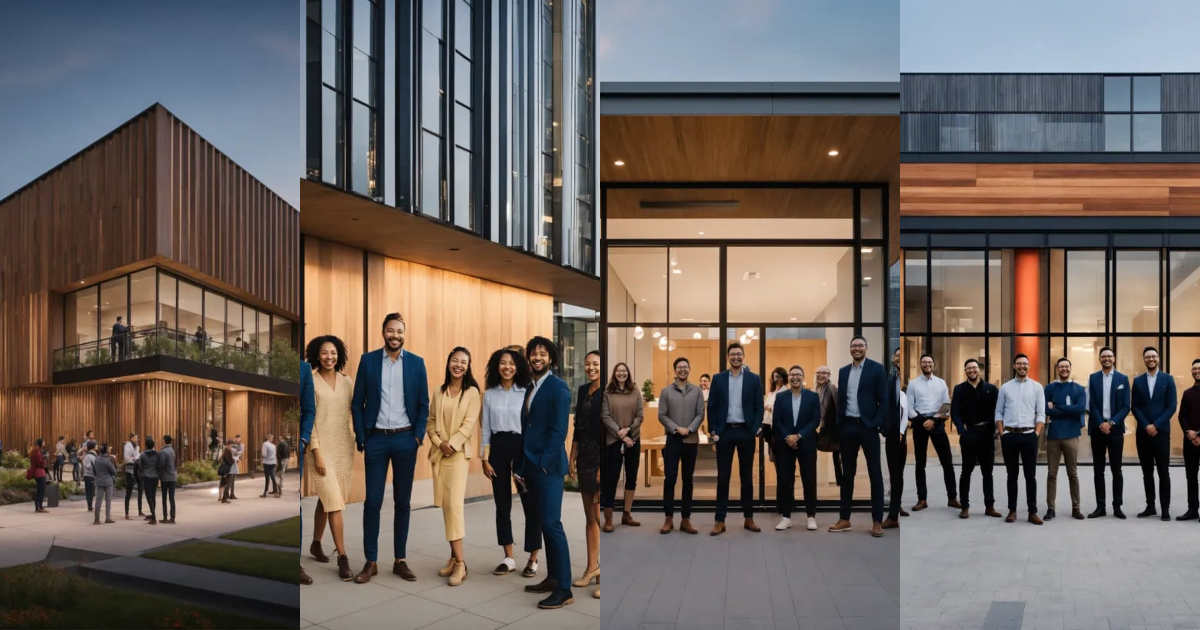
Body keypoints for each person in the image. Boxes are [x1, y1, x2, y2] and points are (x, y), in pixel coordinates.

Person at [350, 313, 430, 584]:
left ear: (404, 334)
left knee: (402, 503)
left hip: (406, 440)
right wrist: (363, 437)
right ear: (383, 332)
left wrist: (417, 437)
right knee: (372, 502)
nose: (395, 335)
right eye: (390, 331)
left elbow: (423, 405)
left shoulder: (417, 364)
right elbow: (357, 402)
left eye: (399, 331)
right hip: (376, 441)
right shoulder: (368, 361)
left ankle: (400, 560)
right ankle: (370, 561)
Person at [518, 336, 574, 609]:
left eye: (542, 354)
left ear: (551, 358)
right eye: (533, 354)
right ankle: (552, 578)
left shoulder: (558, 387)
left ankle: (564, 588)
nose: (537, 357)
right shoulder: (532, 386)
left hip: (547, 468)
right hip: (531, 466)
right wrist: (523, 467)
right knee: (543, 522)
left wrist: (542, 462)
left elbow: (558, 431)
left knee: (552, 525)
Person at [481, 347, 542, 578]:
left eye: (512, 363)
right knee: (502, 505)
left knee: (530, 504)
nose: (507, 367)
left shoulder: (527, 391)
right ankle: (508, 557)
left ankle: (533, 559)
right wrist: (484, 458)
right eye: (503, 363)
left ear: (518, 367)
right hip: (497, 450)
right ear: (497, 366)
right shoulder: (489, 395)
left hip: (521, 450)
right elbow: (485, 428)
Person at [427, 347, 482, 586]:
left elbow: (469, 425)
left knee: (454, 506)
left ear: (468, 366)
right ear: (448, 363)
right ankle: (452, 557)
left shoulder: (472, 393)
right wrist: (440, 443)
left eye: (463, 362)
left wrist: (453, 444)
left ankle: (461, 564)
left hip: (458, 456)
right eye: (455, 360)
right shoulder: (438, 392)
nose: (458, 365)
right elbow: (430, 423)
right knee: (446, 507)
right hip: (440, 454)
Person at [306, 335, 358, 581]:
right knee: (334, 502)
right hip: (321, 450)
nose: (329, 357)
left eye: (334, 353)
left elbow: (355, 411)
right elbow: (310, 419)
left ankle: (316, 544)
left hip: (343, 448)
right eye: (325, 353)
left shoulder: (348, 382)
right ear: (317, 354)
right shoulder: (310, 381)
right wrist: (315, 452)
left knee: (327, 500)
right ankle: (343, 558)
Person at [830, 336, 887, 537]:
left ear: (866, 348)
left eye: (860, 346)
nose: (857, 349)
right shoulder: (843, 371)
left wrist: (876, 423)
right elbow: (842, 400)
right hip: (848, 428)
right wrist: (840, 424)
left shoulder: (877, 369)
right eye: (853, 346)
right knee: (847, 476)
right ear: (850, 349)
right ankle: (844, 519)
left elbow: (884, 400)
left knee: (875, 475)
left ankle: (877, 521)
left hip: (868, 428)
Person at [708, 342, 765, 535]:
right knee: (723, 477)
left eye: (739, 354)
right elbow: (712, 406)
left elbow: (759, 406)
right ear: (727, 356)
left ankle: (748, 518)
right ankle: (720, 520)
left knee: (746, 477)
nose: (736, 357)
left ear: (744, 356)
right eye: (733, 354)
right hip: (724, 432)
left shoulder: (754, 378)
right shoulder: (718, 379)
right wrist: (714, 430)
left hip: (745, 432)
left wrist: (756, 427)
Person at [658, 356, 705, 535]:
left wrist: (690, 429)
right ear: (675, 370)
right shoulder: (666, 392)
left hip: (691, 440)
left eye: (685, 367)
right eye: (679, 367)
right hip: (673, 440)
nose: (683, 369)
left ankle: (686, 519)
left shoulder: (697, 391)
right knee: (670, 479)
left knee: (688, 480)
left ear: (689, 369)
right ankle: (668, 518)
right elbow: (662, 415)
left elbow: (701, 413)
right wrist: (676, 428)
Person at [996, 353, 1045, 525]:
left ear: (1029, 366)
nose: (1022, 366)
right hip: (1010, 436)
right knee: (1012, 476)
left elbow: (1041, 413)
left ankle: (1032, 512)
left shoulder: (1037, 387)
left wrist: (1036, 433)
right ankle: (1012, 510)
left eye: (1025, 364)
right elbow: (999, 411)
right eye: (1019, 363)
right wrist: (1002, 433)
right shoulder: (1005, 388)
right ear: (1014, 366)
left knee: (1030, 476)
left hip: (1029, 436)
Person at [569, 350, 603, 597]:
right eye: (587, 364)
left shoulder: (608, 392)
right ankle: (592, 568)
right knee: (590, 517)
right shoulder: (582, 391)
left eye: (595, 364)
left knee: (601, 517)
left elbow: (608, 432)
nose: (590, 368)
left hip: (601, 460)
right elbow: (578, 428)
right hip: (584, 459)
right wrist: (572, 457)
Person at [772, 365, 821, 531]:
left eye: (798, 375)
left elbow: (815, 420)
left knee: (809, 480)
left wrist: (799, 435)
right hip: (785, 444)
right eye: (792, 374)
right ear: (789, 377)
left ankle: (811, 516)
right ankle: (786, 517)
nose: (795, 377)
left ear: (803, 377)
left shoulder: (813, 397)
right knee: (785, 480)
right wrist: (788, 437)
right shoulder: (781, 397)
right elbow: (776, 421)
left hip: (806, 442)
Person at [951, 358, 1001, 520]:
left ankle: (989, 506)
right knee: (966, 471)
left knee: (988, 472)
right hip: (969, 433)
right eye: (968, 368)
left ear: (979, 369)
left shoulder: (991, 389)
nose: (971, 371)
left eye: (974, 368)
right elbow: (955, 412)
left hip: (986, 434)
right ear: (965, 371)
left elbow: (997, 411)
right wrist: (961, 430)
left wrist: (995, 430)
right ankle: (964, 506)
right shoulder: (959, 389)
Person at [908, 354, 958, 511]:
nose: (927, 364)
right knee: (920, 464)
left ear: (934, 365)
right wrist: (922, 421)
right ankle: (922, 499)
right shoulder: (913, 384)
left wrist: (934, 421)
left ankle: (952, 497)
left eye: (929, 362)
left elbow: (945, 405)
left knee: (947, 462)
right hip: (919, 424)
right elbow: (909, 406)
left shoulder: (941, 383)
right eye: (924, 362)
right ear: (920, 364)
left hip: (937, 424)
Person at [1131, 346, 1175, 521]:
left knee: (1163, 472)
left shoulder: (1168, 379)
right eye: (1148, 356)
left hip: (1161, 433)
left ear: (1158, 358)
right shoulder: (1138, 381)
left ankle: (1165, 508)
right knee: (1147, 472)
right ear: (1144, 359)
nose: (1151, 359)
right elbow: (1135, 406)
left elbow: (1171, 406)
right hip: (1143, 434)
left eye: (1153, 356)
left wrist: (1155, 425)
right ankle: (1150, 506)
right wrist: (1146, 425)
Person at [1086, 346, 1130, 519]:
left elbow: (1126, 405)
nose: (1107, 358)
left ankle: (1117, 506)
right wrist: (1101, 423)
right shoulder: (1093, 378)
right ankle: (1100, 506)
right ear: (1099, 359)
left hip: (1116, 430)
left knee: (1116, 470)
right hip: (1098, 429)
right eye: (1103, 356)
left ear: (1114, 358)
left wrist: (1111, 423)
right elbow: (1091, 404)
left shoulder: (1122, 379)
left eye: (1109, 356)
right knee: (1098, 470)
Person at [601, 362, 644, 530]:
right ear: (614, 373)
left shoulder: (635, 391)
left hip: (633, 438)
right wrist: (620, 433)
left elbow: (640, 416)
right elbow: (605, 416)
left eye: (624, 371)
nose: (621, 373)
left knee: (631, 477)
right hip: (614, 440)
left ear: (628, 374)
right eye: (618, 371)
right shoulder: (608, 393)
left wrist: (628, 431)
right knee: (611, 479)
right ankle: (609, 518)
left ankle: (627, 514)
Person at [1043, 358, 1087, 521]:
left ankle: (1076, 507)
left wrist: (1057, 407)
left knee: (1072, 473)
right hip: (1054, 435)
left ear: (1070, 368)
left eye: (1066, 366)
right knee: (1052, 474)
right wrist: (1068, 409)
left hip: (1071, 435)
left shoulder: (1079, 389)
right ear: (1057, 369)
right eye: (1061, 367)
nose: (1064, 369)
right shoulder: (1050, 388)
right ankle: (1050, 508)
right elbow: (1045, 410)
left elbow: (1080, 408)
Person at [882, 348, 908, 529]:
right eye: (897, 356)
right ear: (894, 359)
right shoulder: (891, 379)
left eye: (902, 355)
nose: (899, 358)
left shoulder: (910, 381)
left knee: (899, 473)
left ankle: (895, 509)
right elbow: (885, 405)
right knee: (894, 474)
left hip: (904, 433)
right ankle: (893, 513)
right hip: (892, 434)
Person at [298, 356, 318, 585]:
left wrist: (304, 439)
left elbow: (309, 409)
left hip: (296, 448)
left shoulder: (303, 369)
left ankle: (296, 562)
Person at [1178, 359, 1200, 521]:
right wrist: (1190, 434)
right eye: (1194, 368)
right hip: (1190, 441)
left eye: (1199, 368)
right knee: (1191, 477)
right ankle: (1192, 510)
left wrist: (1199, 434)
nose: (1196, 371)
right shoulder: (1187, 393)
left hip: (1197, 437)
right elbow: (1182, 416)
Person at [814, 365, 842, 487]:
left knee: (837, 456)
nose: (820, 375)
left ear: (829, 375)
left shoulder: (832, 388)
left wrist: (837, 430)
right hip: (822, 428)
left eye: (824, 373)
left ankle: (842, 485)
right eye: (818, 372)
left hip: (832, 429)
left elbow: (838, 409)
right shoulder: (818, 390)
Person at [762, 367, 789, 465]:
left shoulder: (785, 392)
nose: (777, 379)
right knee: (773, 456)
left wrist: (771, 408)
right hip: (768, 425)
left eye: (779, 376)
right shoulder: (771, 393)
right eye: (775, 376)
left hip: (778, 426)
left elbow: (785, 410)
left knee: (780, 457)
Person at [92, 444, 118, 524]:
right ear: (106, 451)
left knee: (98, 501)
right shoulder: (107, 460)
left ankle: (96, 518)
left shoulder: (96, 459)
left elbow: (94, 471)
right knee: (108, 500)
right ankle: (108, 518)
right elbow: (114, 472)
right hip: (108, 482)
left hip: (99, 481)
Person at [138, 437, 160, 525]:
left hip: (146, 477)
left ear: (146, 445)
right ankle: (152, 514)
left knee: (148, 497)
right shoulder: (157, 454)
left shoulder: (143, 455)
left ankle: (153, 516)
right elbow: (159, 465)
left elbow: (140, 466)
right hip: (155, 477)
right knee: (153, 496)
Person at [123, 433, 144, 519]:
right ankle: (126, 512)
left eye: (137, 437)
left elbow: (136, 456)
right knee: (129, 490)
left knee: (141, 488)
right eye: (135, 438)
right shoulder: (127, 447)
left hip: (137, 468)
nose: (136, 439)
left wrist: (137, 457)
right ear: (131, 438)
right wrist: (135, 458)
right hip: (129, 468)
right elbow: (127, 459)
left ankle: (140, 510)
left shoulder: (137, 446)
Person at [158, 435, 177, 524]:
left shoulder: (163, 452)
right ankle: (172, 516)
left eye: (162, 439)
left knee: (164, 497)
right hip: (173, 477)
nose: (162, 441)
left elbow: (161, 465)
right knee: (171, 498)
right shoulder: (172, 451)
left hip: (165, 477)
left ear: (165, 441)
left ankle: (165, 516)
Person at [30, 439, 49, 513]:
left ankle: (37, 507)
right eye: (43, 442)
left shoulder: (33, 451)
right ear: (40, 443)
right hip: (40, 472)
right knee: (42, 490)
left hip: (35, 472)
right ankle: (40, 507)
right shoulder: (38, 452)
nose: (44, 444)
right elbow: (42, 463)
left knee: (38, 490)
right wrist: (44, 458)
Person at [82, 441, 97, 512]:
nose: (97, 446)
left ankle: (90, 506)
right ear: (93, 447)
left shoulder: (88, 456)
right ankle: (90, 506)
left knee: (89, 491)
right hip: (90, 475)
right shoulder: (90, 456)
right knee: (90, 492)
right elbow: (88, 466)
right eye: (96, 445)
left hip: (88, 475)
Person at [229, 435, 244, 500]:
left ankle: (231, 494)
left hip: (235, 462)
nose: (238, 441)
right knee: (230, 481)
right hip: (231, 463)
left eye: (239, 440)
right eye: (238, 439)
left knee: (232, 481)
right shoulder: (233, 445)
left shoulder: (241, 445)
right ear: (235, 438)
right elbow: (234, 453)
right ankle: (228, 494)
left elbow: (241, 453)